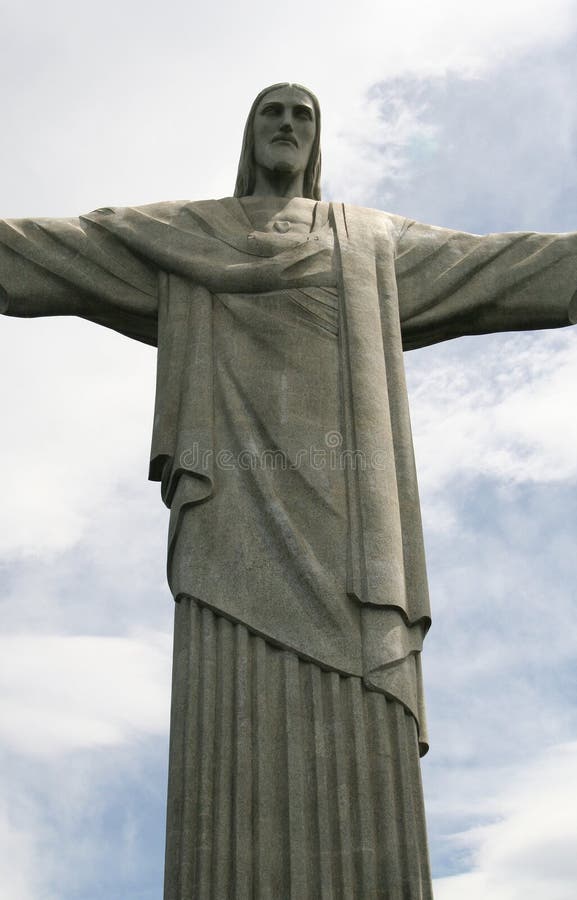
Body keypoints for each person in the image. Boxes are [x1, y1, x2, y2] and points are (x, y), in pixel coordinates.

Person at [1, 82, 576, 899]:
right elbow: (55, 251)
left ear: (316, 142)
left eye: (301, 115)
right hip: (229, 511)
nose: (286, 124)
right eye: (271, 111)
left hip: (350, 529)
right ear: (248, 134)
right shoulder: (182, 235)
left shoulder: (368, 242)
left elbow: (498, 266)